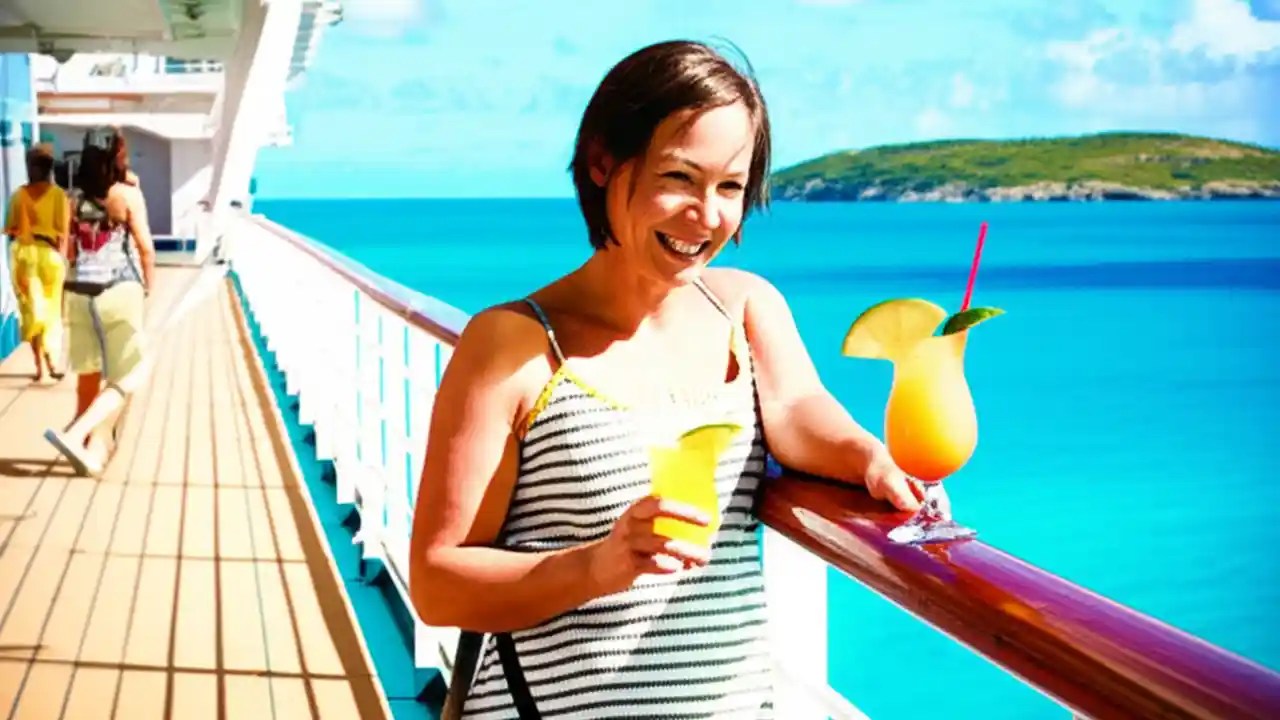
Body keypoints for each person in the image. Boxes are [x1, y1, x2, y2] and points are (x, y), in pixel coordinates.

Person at [409, 40, 923, 718]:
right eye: (679, 178)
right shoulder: (514, 344)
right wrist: (600, 564)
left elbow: (798, 409)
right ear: (602, 164)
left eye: (731, 187)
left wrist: (866, 456)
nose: (707, 216)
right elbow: (439, 582)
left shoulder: (743, 308)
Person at [44, 127, 155, 477]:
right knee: (130, 373)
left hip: (77, 293)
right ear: (117, 156)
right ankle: (85, 438)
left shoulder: (70, 198)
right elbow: (146, 250)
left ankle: (91, 447)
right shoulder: (127, 196)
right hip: (118, 290)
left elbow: (66, 250)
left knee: (89, 374)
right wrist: (147, 291)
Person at [4, 143, 69, 382]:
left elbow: (10, 228)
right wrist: (63, 260)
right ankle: (49, 363)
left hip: (23, 254)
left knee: (33, 311)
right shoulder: (58, 195)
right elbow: (64, 233)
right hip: (49, 255)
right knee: (50, 311)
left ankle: (42, 366)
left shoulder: (19, 195)